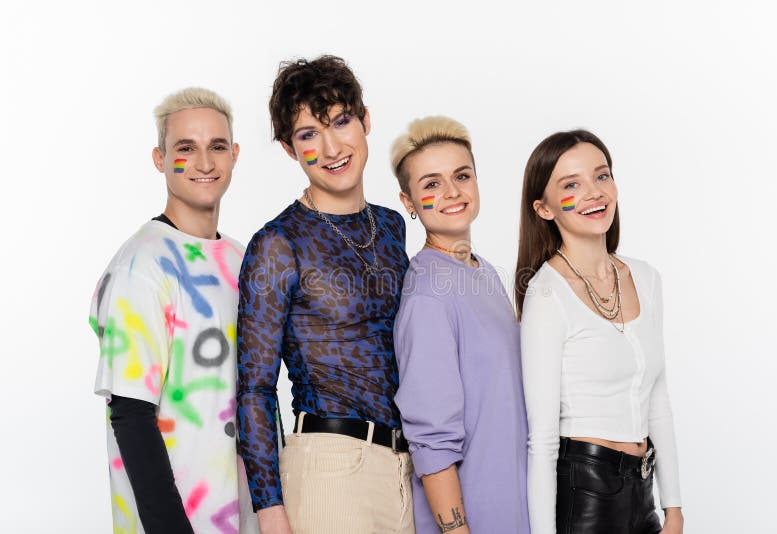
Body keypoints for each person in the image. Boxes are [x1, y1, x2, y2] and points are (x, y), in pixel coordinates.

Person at [236, 55, 413, 534]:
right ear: (289, 149)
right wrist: (269, 508)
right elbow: (254, 388)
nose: (332, 146)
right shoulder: (279, 243)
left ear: (366, 120)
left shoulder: (392, 225)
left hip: (405, 469)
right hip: (328, 470)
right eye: (309, 134)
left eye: (341, 121)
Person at [89, 87, 258, 533]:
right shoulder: (141, 266)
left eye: (217, 147)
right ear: (160, 158)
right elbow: (130, 414)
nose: (204, 163)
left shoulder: (243, 259)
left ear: (234, 155)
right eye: (186, 148)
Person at [515, 130, 683, 534]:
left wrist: (673, 507)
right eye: (571, 185)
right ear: (544, 208)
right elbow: (542, 440)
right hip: (586, 494)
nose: (593, 193)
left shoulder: (646, 278)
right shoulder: (546, 294)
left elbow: (656, 400)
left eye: (601, 176)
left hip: (643, 493)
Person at [390, 116, 530, 533]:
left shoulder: (484, 273)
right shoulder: (428, 293)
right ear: (409, 202)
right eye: (431, 184)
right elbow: (432, 443)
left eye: (462, 175)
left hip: (515, 509)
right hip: (474, 518)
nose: (452, 192)